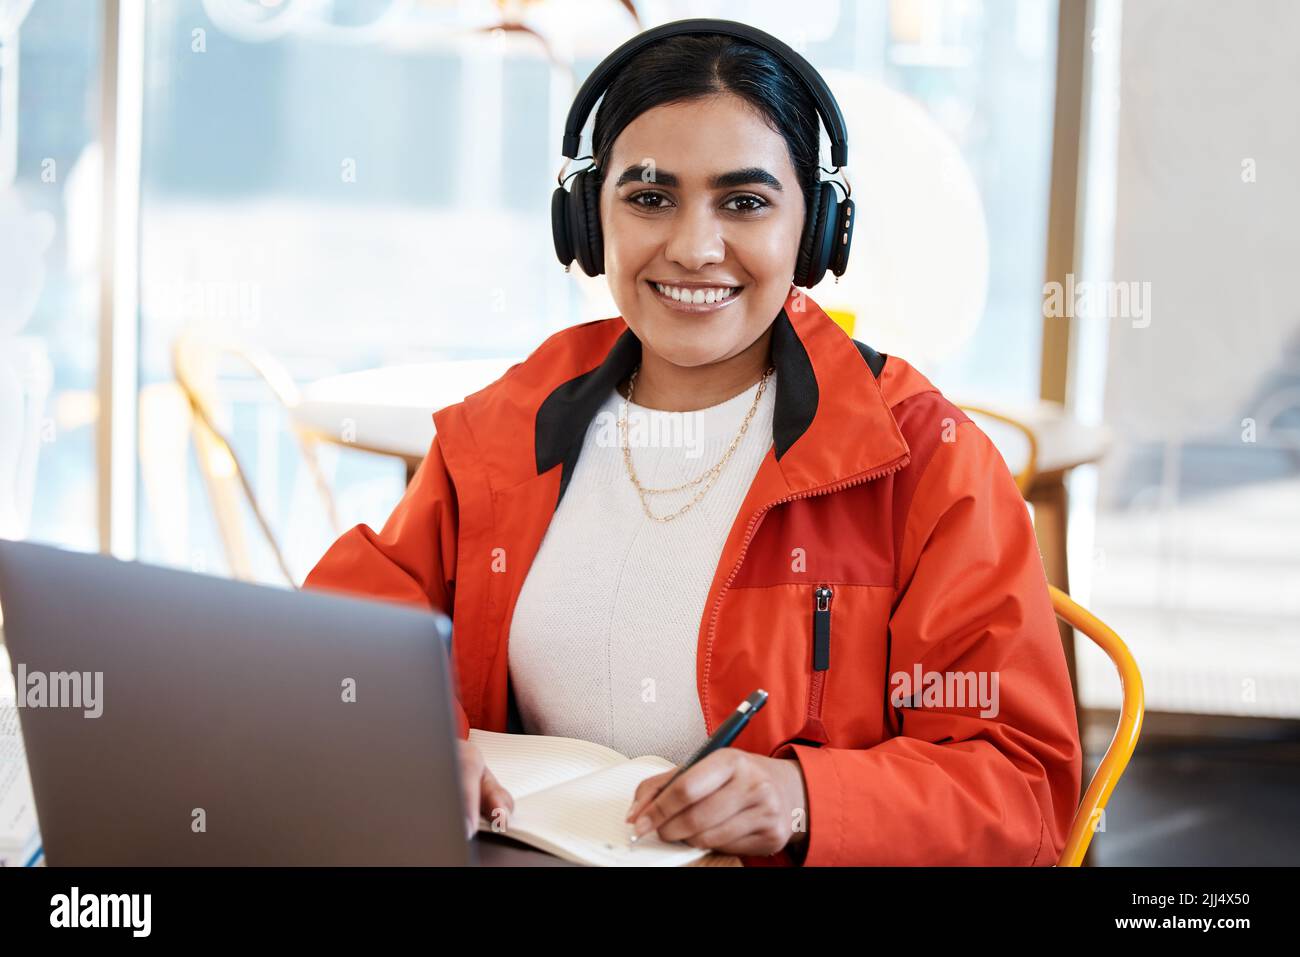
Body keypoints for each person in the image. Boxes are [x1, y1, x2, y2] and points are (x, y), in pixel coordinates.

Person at [303, 20, 1082, 867]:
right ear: (588, 219)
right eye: (649, 197)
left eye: (744, 202)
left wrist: (806, 801)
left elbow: (1023, 792)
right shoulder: (511, 423)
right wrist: (414, 738)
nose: (694, 247)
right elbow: (359, 620)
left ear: (815, 230)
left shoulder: (925, 460)